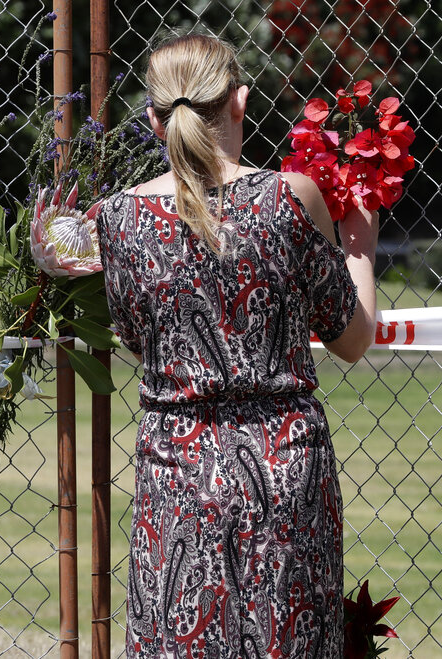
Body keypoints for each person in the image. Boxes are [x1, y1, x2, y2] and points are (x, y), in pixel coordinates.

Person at [98, 34, 378, 658]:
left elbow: (142, 344)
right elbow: (354, 340)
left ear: (152, 118)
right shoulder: (289, 197)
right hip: (284, 468)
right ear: (240, 102)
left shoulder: (116, 219)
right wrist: (359, 236)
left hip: (177, 471)